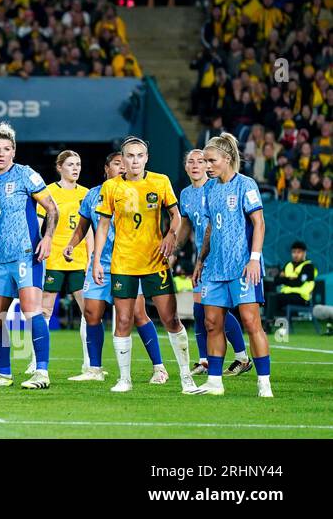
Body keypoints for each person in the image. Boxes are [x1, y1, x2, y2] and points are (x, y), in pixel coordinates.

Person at [72, 137, 202, 394]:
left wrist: (171, 236)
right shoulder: (110, 188)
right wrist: (97, 260)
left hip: (154, 262)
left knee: (171, 319)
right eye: (129, 156)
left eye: (139, 155)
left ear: (146, 158)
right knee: (122, 320)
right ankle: (124, 379)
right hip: (123, 264)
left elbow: (176, 215)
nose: (134, 160)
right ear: (124, 157)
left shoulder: (160, 181)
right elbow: (103, 225)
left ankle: (187, 377)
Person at [0, 122, 59, 390]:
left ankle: (41, 373)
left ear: (13, 151)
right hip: (0, 258)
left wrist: (48, 238)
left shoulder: (26, 175)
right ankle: (3, 374)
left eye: (6, 149)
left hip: (27, 255)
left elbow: (52, 208)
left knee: (31, 311)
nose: (1, 153)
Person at [61, 152, 166, 382]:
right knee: (91, 313)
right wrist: (71, 245)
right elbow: (82, 226)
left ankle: (159, 368)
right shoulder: (92, 195)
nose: (122, 167)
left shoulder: (133, 193)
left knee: (138, 314)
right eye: (117, 163)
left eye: (125, 163)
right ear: (106, 168)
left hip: (128, 264)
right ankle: (95, 370)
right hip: (100, 264)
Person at [195, 132, 273, 397]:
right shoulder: (208, 188)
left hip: (242, 267)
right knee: (211, 323)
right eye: (204, 161)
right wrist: (199, 260)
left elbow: (259, 223)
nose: (207, 166)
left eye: (211, 161)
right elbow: (209, 229)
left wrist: (254, 260)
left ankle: (264, 384)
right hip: (215, 268)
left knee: (252, 323)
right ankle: (215, 383)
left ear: (227, 159)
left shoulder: (246, 185)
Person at [178, 149, 250, 375]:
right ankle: (205, 360)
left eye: (201, 161)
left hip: (221, 257)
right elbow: (187, 225)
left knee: (214, 310)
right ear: (186, 166)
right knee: (201, 311)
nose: (196, 165)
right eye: (191, 161)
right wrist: (173, 247)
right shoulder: (186, 194)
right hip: (202, 258)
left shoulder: (215, 188)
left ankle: (241, 356)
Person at [37, 150, 92, 376]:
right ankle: (36, 361)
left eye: (78, 164)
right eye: (70, 164)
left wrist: (91, 258)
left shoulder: (87, 193)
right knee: (45, 310)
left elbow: (89, 229)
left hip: (79, 260)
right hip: (54, 259)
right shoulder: (48, 191)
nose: (75, 168)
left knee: (88, 312)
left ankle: (90, 363)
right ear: (59, 167)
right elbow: (39, 225)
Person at [268, 240, 318, 321]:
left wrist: (284, 279)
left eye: (299, 252)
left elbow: (297, 283)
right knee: (269, 297)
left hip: (301, 298)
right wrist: (289, 279)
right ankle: (273, 323)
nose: (296, 255)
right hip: (287, 295)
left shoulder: (308, 267)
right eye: (294, 252)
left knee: (274, 298)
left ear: (304, 253)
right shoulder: (288, 265)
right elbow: (276, 281)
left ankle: (269, 324)